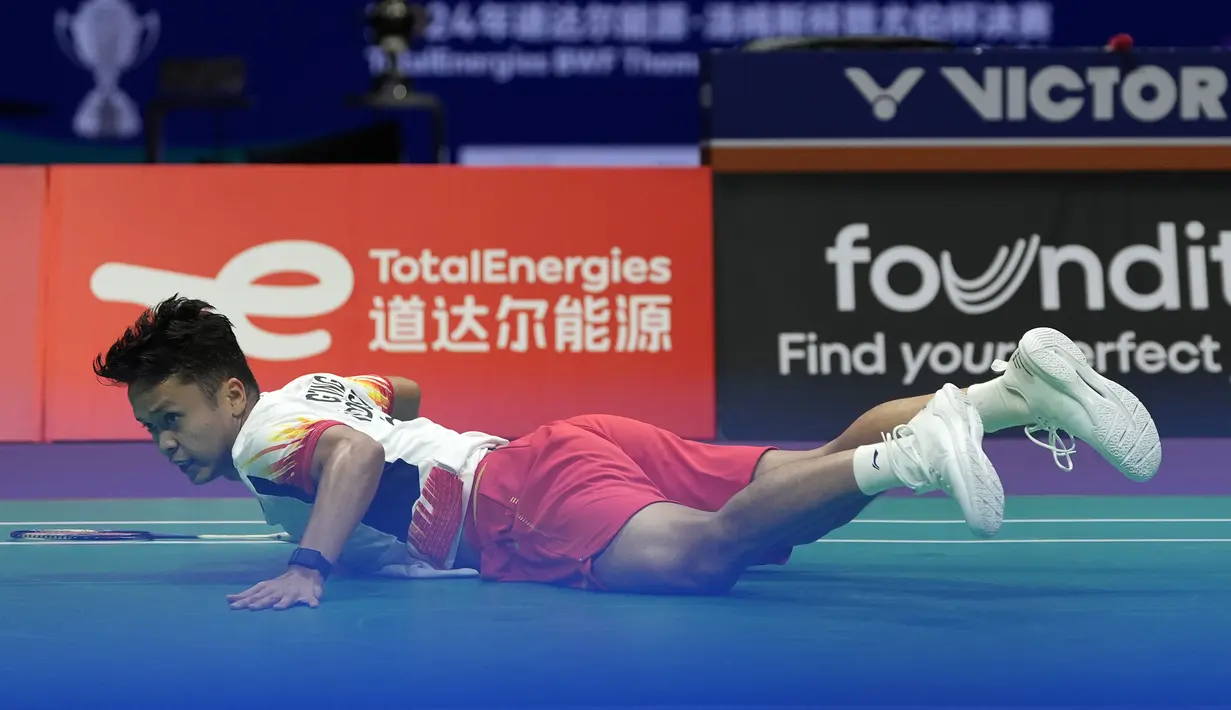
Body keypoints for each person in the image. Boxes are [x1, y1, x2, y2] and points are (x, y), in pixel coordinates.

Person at [93, 296, 1161, 611]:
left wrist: (308, 563)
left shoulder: (263, 438)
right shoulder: (313, 384)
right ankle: (1011, 390)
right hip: (574, 445)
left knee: (702, 557)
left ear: (230, 390)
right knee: (803, 478)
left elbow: (352, 463)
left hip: (521, 498)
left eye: (171, 415)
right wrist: (419, 440)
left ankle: (919, 456)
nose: (164, 439)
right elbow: (397, 396)